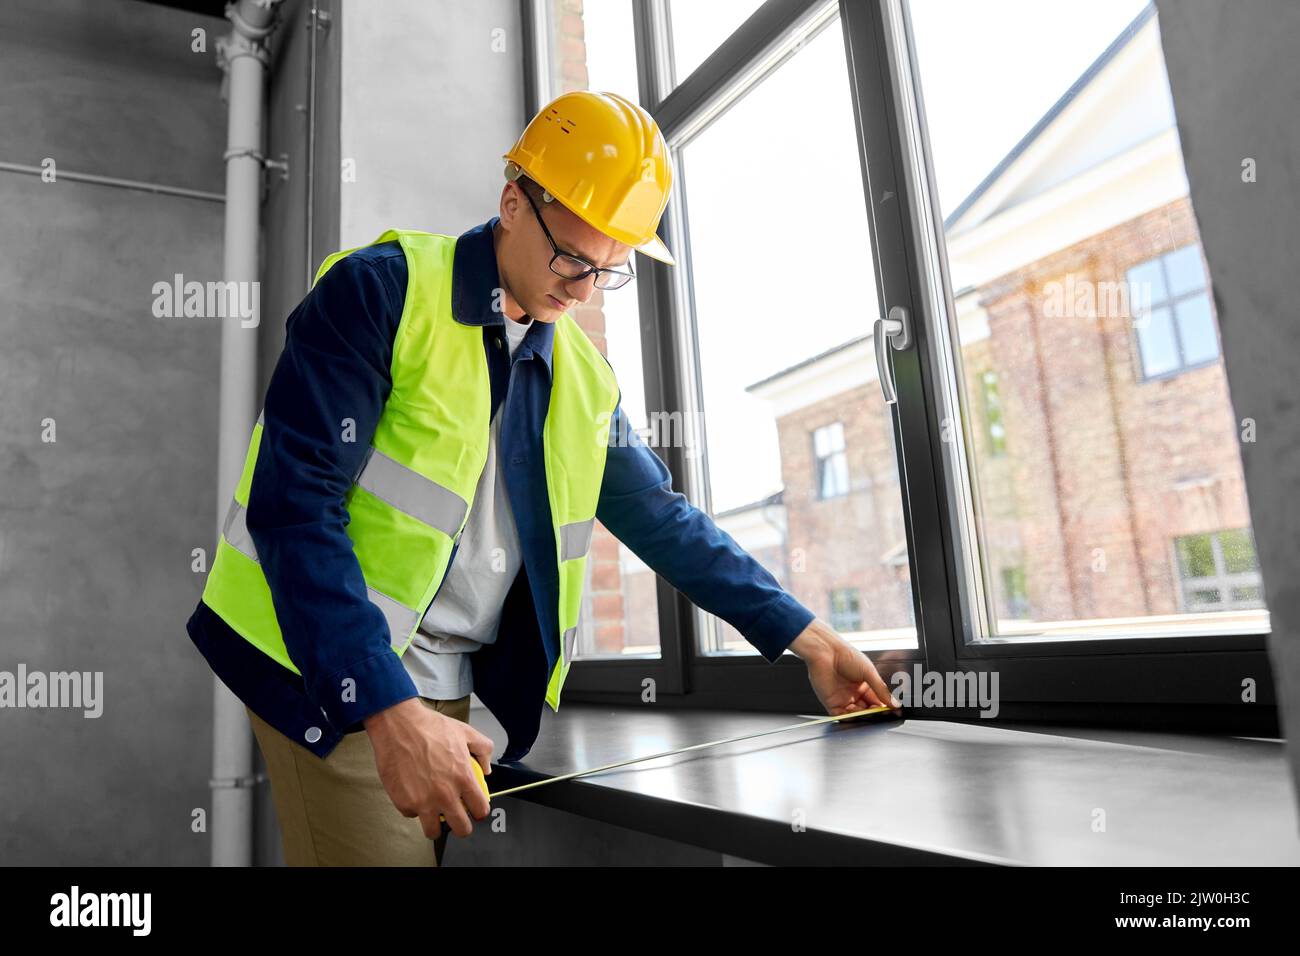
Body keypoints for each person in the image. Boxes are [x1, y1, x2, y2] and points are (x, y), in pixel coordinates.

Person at [186, 89, 899, 867]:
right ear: (512, 204)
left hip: (447, 681)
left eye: (608, 271)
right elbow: (295, 509)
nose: (583, 290)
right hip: (325, 657)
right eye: (572, 259)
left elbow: (659, 518)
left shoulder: (584, 380)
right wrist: (388, 709)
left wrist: (811, 639)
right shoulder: (378, 292)